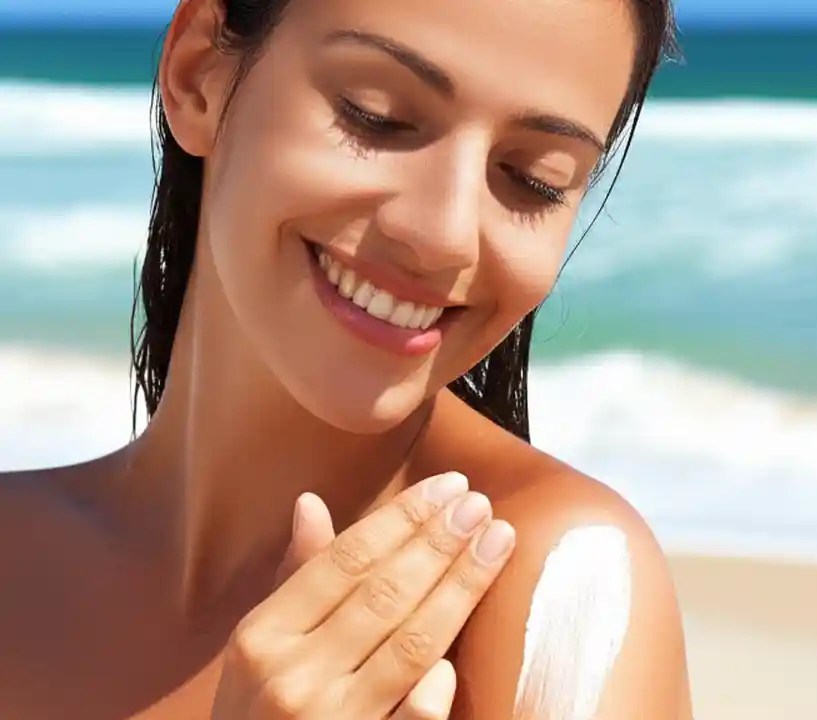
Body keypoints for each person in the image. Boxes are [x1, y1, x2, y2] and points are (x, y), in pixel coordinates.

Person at [0, 0, 693, 717]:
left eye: (532, 177)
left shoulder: (561, 585)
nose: (446, 235)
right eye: (376, 115)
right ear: (198, 73)